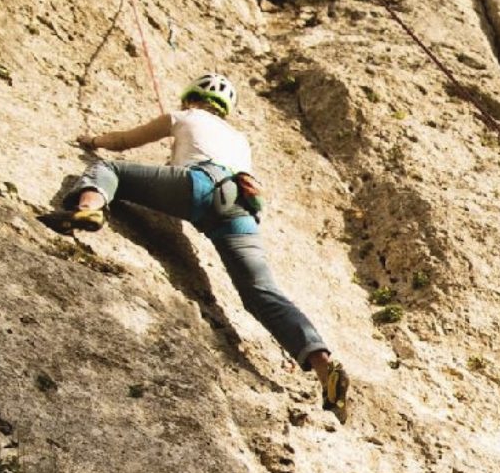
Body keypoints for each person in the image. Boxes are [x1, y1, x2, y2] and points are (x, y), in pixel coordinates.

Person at [40, 73, 350, 423]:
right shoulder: (240, 140)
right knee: (261, 291)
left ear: (191, 99)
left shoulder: (185, 116)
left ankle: (90, 208)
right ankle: (324, 366)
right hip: (239, 207)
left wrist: (91, 139)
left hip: (196, 186)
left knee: (109, 169)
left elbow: (124, 142)